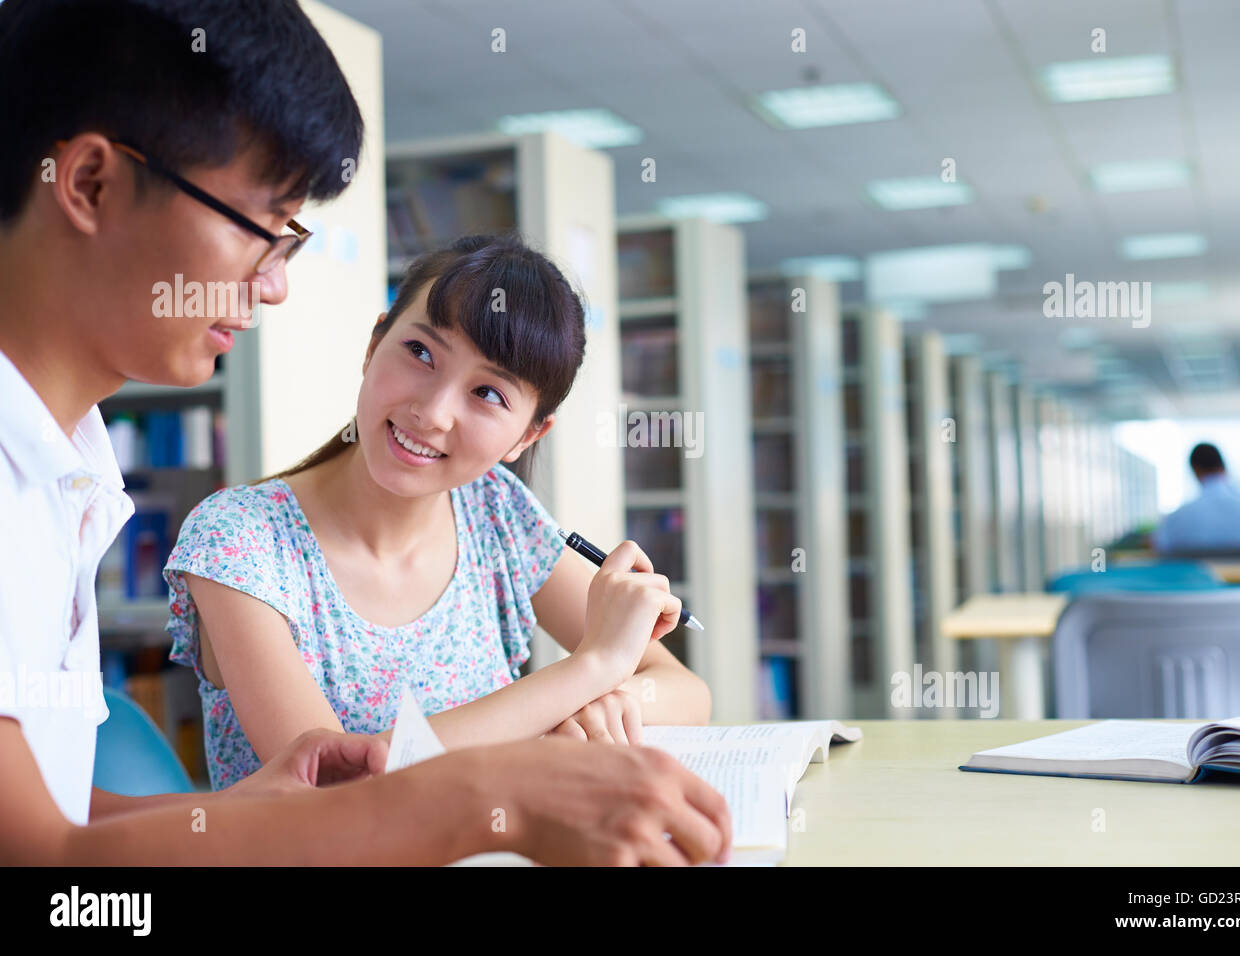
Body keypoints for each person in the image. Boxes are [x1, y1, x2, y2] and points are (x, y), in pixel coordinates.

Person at [0, 0, 730, 865]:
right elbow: (48, 868)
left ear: (534, 432)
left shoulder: (65, 466)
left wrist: (253, 814)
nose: (273, 287)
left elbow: (59, 824)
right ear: (89, 185)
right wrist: (490, 793)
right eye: (259, 229)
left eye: (289, 241)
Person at [165, 235, 711, 789]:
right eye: (420, 353)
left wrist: (613, 700)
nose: (432, 412)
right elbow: (337, 785)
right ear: (375, 343)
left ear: (528, 434)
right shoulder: (239, 539)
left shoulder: (494, 509)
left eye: (488, 394)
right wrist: (589, 671)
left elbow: (687, 690)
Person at [1152, 443, 1240, 553]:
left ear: (1195, 471)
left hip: (1194, 584)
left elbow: (1161, 548)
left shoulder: (1175, 518)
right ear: (1223, 468)